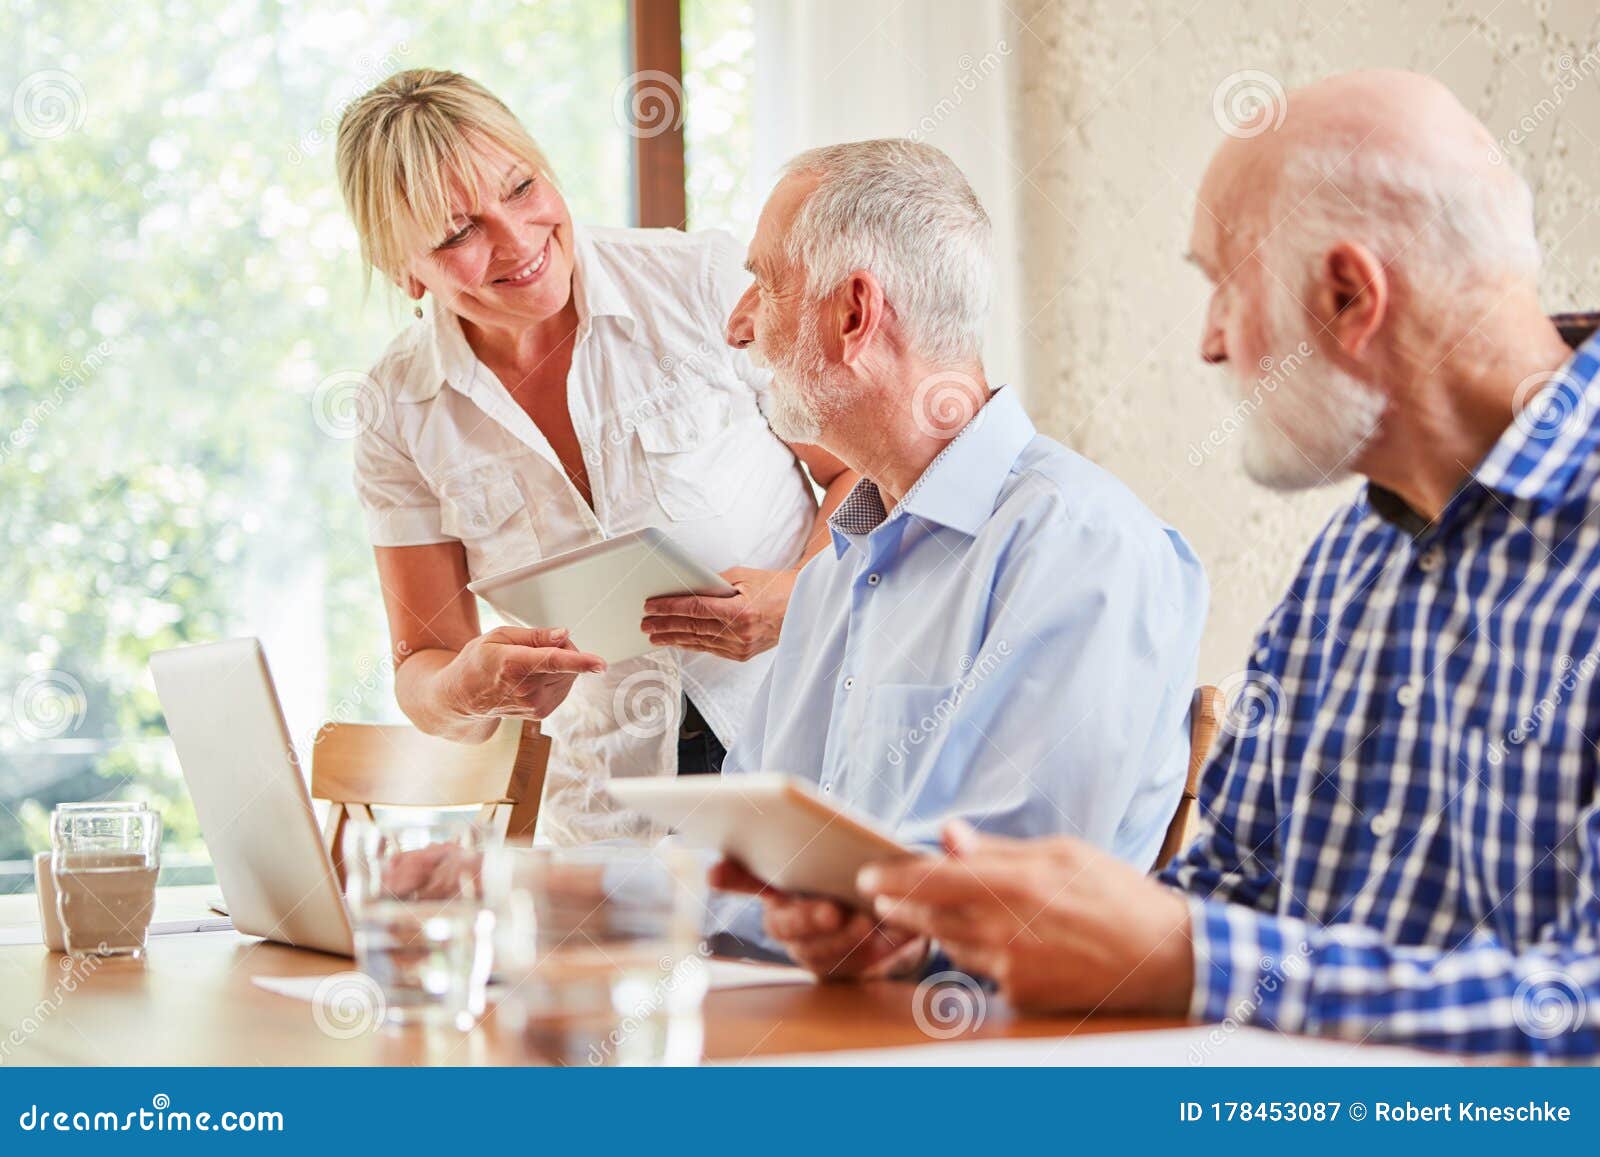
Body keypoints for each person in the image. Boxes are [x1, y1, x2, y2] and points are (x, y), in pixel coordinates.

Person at [852, 71, 1600, 1061]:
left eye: (1222, 284)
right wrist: (943, 938)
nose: (1209, 342)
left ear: (1347, 295)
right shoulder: (1349, 564)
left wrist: (1196, 957)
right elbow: (1223, 903)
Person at [693, 140, 1208, 972]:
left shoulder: (1080, 543)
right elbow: (740, 863)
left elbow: (1000, 905)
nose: (741, 324)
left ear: (854, 314)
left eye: (768, 283)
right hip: (811, 1032)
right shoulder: (834, 569)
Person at [333, 70, 856, 843]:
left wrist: (798, 596)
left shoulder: (697, 283)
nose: (518, 241)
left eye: (521, 186)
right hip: (610, 821)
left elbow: (862, 468)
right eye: (457, 233)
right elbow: (422, 665)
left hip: (807, 757)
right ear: (404, 268)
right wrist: (471, 688)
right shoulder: (397, 408)